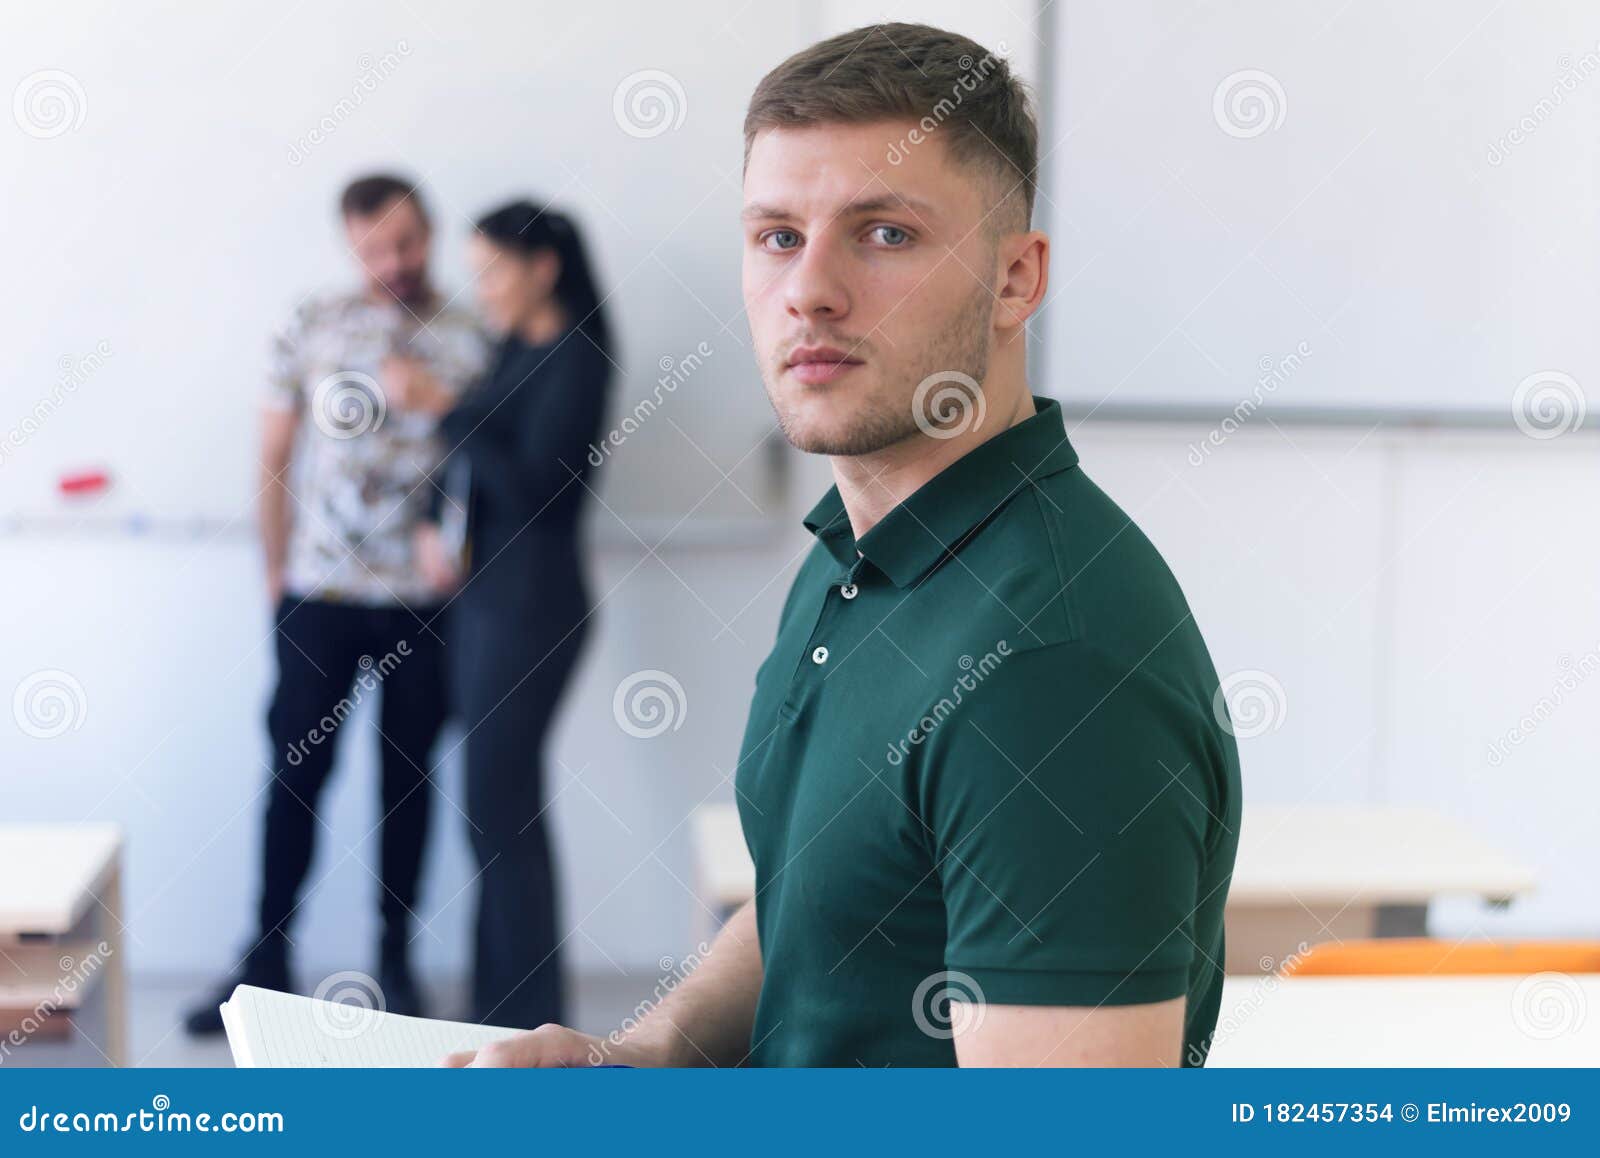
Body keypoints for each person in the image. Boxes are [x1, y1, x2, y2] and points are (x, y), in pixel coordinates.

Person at [447, 22, 1241, 1069]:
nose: (808, 289)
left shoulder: (1051, 662)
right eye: (777, 235)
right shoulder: (851, 553)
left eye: (885, 234)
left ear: (1014, 280)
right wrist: (643, 1055)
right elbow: (822, 897)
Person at [184, 174, 488, 1035]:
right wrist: (275, 581)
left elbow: (494, 457)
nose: (394, 263)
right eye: (375, 249)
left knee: (410, 780)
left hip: (425, 601)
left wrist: (442, 403)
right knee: (293, 777)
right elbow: (273, 455)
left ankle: (398, 961)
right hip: (318, 594)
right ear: (352, 247)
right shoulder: (311, 321)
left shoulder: (473, 332)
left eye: (407, 243)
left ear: (430, 232)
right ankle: (266, 961)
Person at [393, 201, 613, 1029]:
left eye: (491, 269)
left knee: (503, 810)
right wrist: (429, 522)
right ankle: (499, 1011)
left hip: (535, 609)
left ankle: (529, 1019)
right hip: (486, 603)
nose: (478, 287)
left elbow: (538, 489)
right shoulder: (511, 350)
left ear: (542, 268)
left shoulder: (577, 359)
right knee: (490, 811)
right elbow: (467, 464)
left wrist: (446, 406)